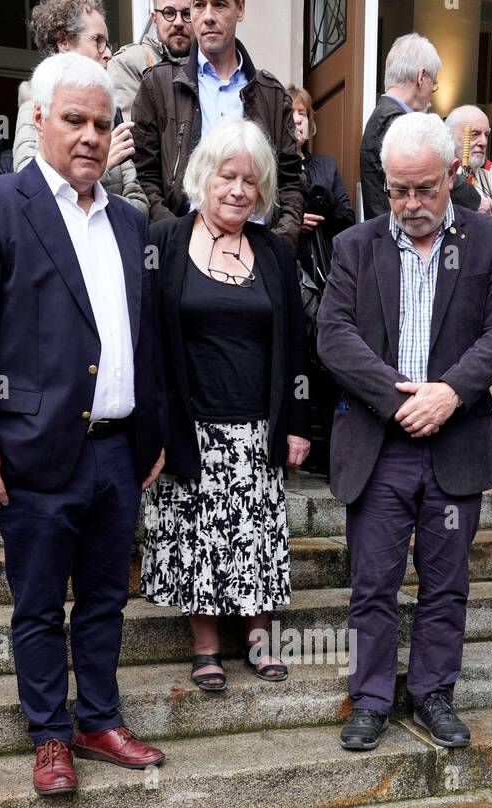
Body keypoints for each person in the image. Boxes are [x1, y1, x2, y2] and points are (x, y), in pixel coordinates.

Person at [0, 53, 167, 795]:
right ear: (40, 120)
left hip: (116, 452)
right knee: (39, 604)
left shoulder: (130, 223)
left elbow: (140, 336)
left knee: (105, 598)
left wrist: (153, 436)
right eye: (75, 120)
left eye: (103, 123)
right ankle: (50, 736)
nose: (91, 136)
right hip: (33, 454)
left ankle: (99, 718)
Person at [318, 113, 492, 752]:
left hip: (454, 446)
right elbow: (333, 335)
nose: (409, 204)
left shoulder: (489, 241)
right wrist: (400, 396)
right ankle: (373, 696)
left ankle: (433, 693)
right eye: (397, 189)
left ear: (453, 177)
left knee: (446, 581)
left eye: (424, 189)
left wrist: (450, 393)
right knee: (372, 582)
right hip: (380, 446)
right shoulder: (356, 245)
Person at [142, 118, 310, 691]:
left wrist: (297, 421)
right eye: (227, 176)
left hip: (257, 425)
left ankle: (261, 639)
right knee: (195, 535)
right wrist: (154, 427)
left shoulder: (273, 252)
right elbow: (148, 340)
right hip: (189, 422)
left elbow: (296, 346)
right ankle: (206, 645)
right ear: (202, 177)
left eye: (250, 180)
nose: (238, 189)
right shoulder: (164, 243)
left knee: (255, 534)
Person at [131, 0, 304, 249]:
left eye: (220, 5)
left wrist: (278, 246)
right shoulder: (159, 85)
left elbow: (290, 181)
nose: (208, 16)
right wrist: (177, 237)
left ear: (240, 9)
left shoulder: (271, 94)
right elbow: (143, 175)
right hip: (183, 251)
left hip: (257, 253)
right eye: (200, 5)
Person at [13, 1, 147, 216]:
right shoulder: (35, 107)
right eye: (98, 41)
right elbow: (32, 194)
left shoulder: (113, 115)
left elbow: (139, 206)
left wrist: (97, 212)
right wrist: (100, 167)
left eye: (101, 125)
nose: (108, 53)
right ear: (63, 41)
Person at [359, 33, 480, 222]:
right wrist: (476, 202)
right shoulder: (392, 121)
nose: (432, 96)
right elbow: (436, 168)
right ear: (421, 77)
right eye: (434, 84)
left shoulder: (383, 115)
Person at [287, 84, 354, 285]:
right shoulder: (267, 168)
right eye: (291, 114)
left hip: (324, 266)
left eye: (303, 114)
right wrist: (293, 221)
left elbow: (347, 219)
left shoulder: (326, 167)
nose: (298, 120)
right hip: (288, 265)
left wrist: (322, 202)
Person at [108, 0, 193, 120]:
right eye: (169, 13)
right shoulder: (128, 63)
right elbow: (132, 133)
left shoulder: (211, 65)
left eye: (187, 13)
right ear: (154, 19)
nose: (178, 22)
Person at [445, 104, 492, 219]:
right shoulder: (436, 177)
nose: (484, 142)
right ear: (450, 136)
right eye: (475, 134)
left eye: (486, 135)